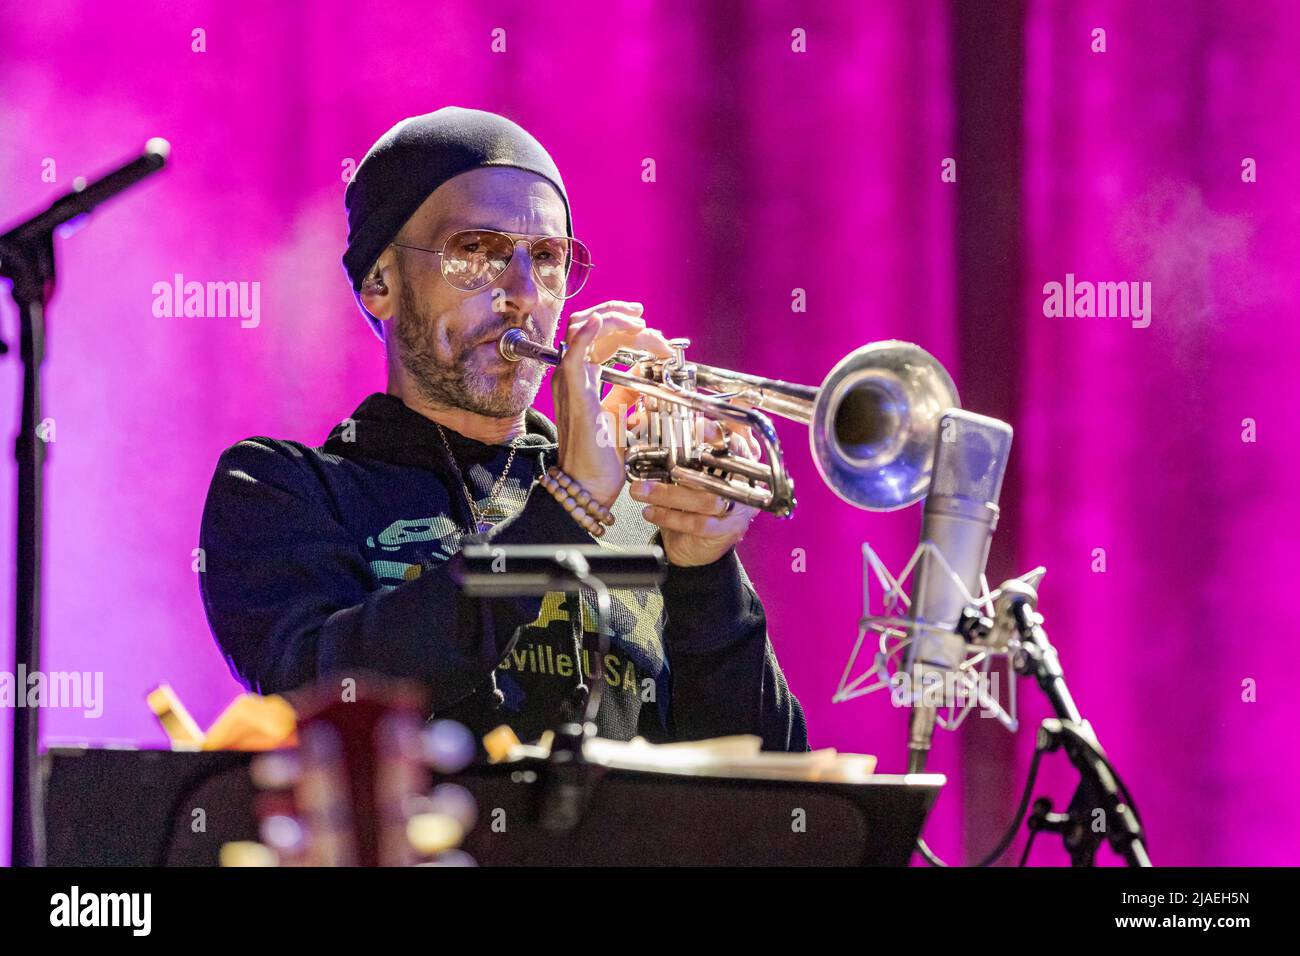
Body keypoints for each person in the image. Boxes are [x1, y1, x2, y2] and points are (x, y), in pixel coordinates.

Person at [198, 106, 808, 751]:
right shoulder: (284, 488)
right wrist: (567, 505)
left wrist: (704, 573)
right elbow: (322, 693)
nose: (523, 292)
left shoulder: (639, 507)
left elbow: (765, 780)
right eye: (476, 252)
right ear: (379, 282)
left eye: (547, 257)